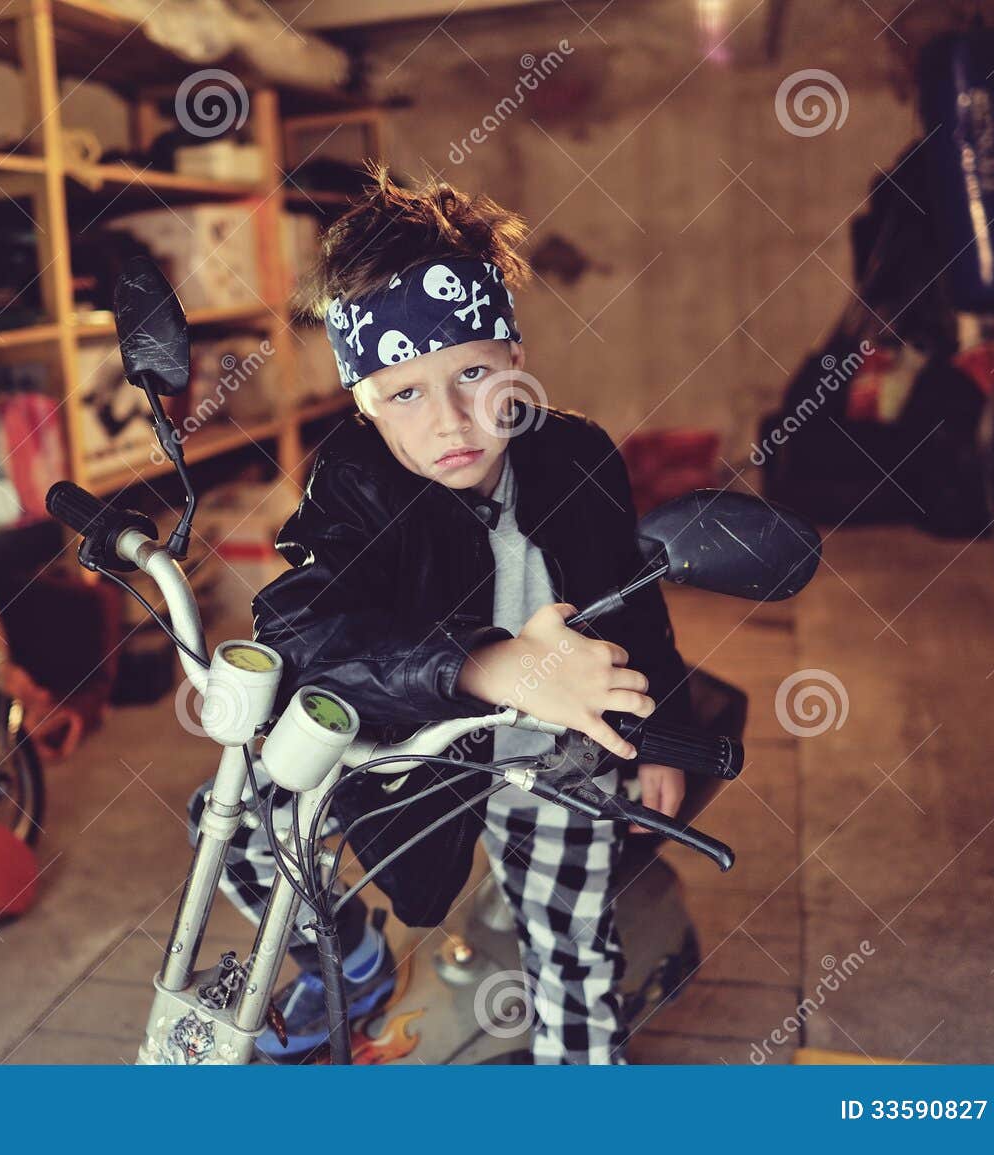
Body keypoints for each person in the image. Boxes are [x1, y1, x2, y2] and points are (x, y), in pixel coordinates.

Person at [188, 166, 695, 1064]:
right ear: (362, 401)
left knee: (573, 952)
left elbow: (637, 599)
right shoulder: (352, 473)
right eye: (406, 393)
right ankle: (344, 959)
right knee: (229, 818)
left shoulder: (578, 456)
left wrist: (667, 733)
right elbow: (302, 631)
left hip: (558, 749)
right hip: (414, 740)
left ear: (515, 362)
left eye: (472, 375)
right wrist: (481, 666)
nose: (452, 421)